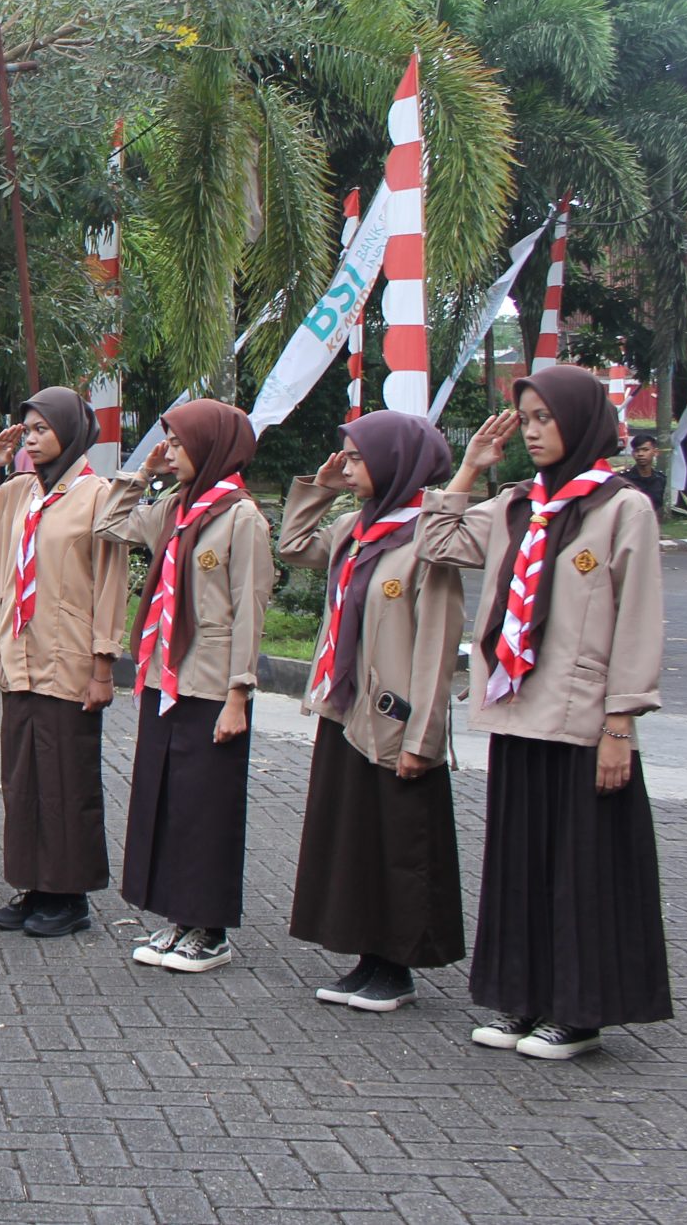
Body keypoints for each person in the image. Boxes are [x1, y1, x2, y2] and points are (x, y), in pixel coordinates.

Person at [420, 367, 670, 1060]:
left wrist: (621, 724)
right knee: (520, 862)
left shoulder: (621, 509)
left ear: (581, 421)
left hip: (584, 718)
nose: (530, 431)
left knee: (579, 868)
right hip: (517, 710)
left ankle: (577, 1011)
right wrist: (469, 466)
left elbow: (637, 622)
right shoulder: (514, 506)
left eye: (543, 418)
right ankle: (520, 996)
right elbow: (438, 543)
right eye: (523, 418)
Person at [278, 411, 468, 1015]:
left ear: (395, 462)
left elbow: (438, 644)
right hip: (347, 710)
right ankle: (366, 955)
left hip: (397, 720)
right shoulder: (356, 528)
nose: (350, 467)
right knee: (354, 837)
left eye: (359, 459)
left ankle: (397, 965)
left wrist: (424, 736)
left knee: (399, 841)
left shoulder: (424, 540)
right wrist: (323, 489)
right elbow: (293, 547)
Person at [97, 398, 273, 975]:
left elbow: (250, 609)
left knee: (206, 809)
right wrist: (141, 473)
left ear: (213, 445)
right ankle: (178, 918)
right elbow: (110, 524)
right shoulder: (174, 508)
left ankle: (210, 929)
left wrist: (239, 695)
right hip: (162, 679)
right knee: (167, 800)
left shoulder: (240, 517)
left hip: (210, 686)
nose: (169, 451)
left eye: (177, 442)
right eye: (167, 442)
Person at [0, 386, 126, 938]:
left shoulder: (97, 495)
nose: (33, 437)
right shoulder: (18, 492)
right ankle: (32, 884)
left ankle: (68, 895)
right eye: (28, 429)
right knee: (23, 779)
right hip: (18, 659)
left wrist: (103, 667)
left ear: (71, 430)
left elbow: (112, 585)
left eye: (43, 428)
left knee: (66, 780)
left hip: (68, 661)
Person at [623, 437, 667, 512]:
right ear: (633, 454)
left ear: (655, 452)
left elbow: (658, 506)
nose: (640, 454)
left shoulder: (660, 479)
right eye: (637, 450)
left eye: (645, 450)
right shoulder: (624, 479)